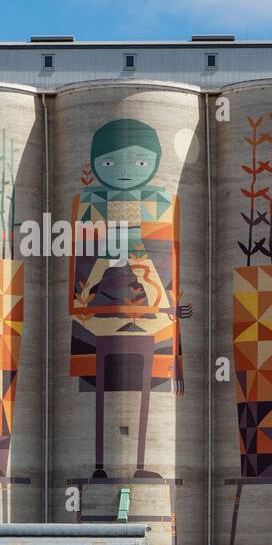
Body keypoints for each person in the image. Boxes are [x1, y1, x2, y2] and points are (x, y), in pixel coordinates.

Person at [69, 119, 191, 479]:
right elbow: (82, 266)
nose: (123, 171)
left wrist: (171, 309)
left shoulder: (164, 205)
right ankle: (101, 466)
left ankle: (138, 464)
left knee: (148, 388)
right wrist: (86, 299)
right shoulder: (88, 206)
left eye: (138, 162)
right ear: (94, 165)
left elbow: (167, 265)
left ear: (153, 163)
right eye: (109, 163)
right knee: (98, 390)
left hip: (148, 318)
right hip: (100, 318)